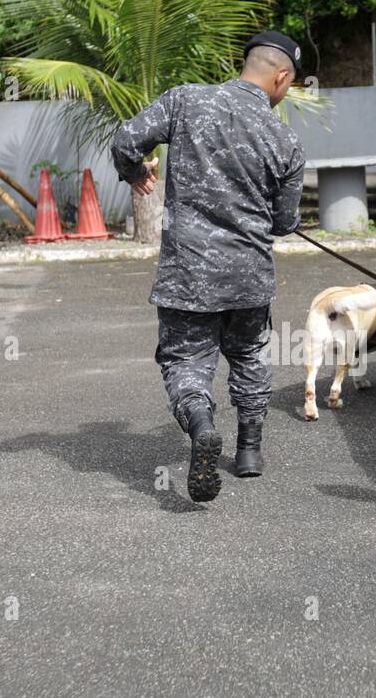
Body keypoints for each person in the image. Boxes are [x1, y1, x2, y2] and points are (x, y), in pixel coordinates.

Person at [110, 31, 306, 502]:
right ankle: (250, 451)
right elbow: (284, 222)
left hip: (187, 276)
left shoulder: (184, 101)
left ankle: (201, 425)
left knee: (186, 361)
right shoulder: (286, 139)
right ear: (281, 77)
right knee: (250, 355)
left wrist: (138, 175)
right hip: (249, 277)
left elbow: (125, 141)